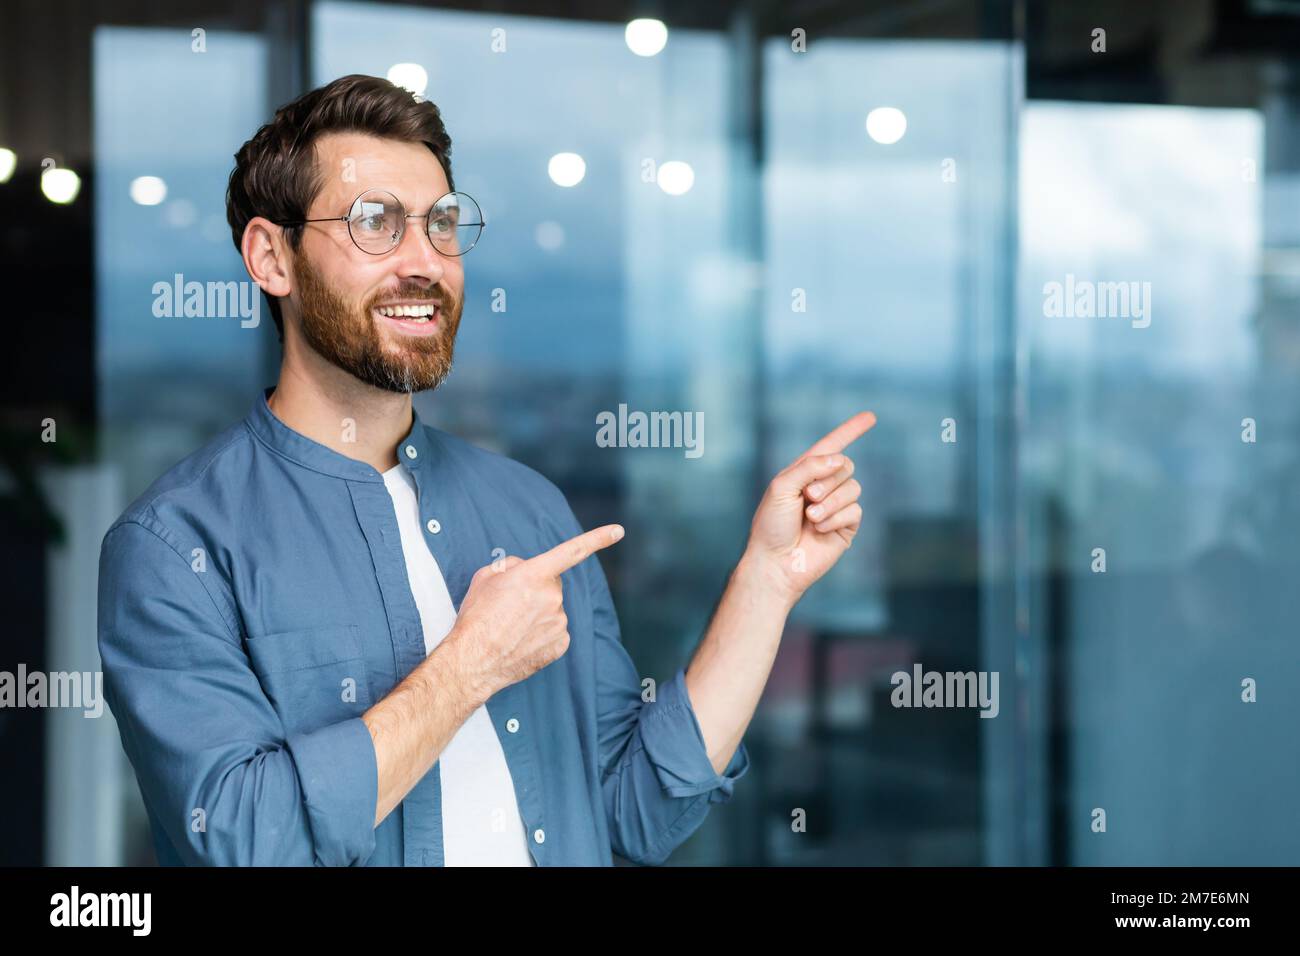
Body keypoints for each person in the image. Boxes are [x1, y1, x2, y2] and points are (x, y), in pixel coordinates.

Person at [97, 73, 874, 866]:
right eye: (375, 223)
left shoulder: (527, 508)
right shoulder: (175, 546)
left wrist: (767, 581)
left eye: (440, 224)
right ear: (272, 257)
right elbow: (243, 841)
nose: (424, 262)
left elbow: (634, 808)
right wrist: (470, 666)